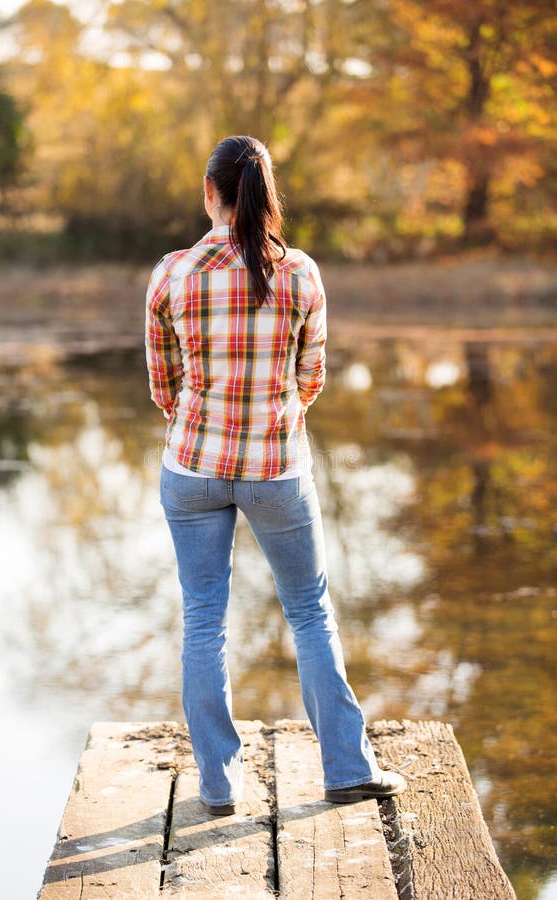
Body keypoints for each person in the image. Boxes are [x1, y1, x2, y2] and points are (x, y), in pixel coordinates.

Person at [145, 135, 406, 815]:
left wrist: (202, 424)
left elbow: (163, 385)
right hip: (278, 469)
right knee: (310, 611)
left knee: (203, 618)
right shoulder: (301, 274)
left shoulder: (173, 273)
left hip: (191, 467)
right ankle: (347, 768)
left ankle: (217, 783)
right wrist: (271, 423)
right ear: (266, 193)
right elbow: (310, 376)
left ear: (210, 192)